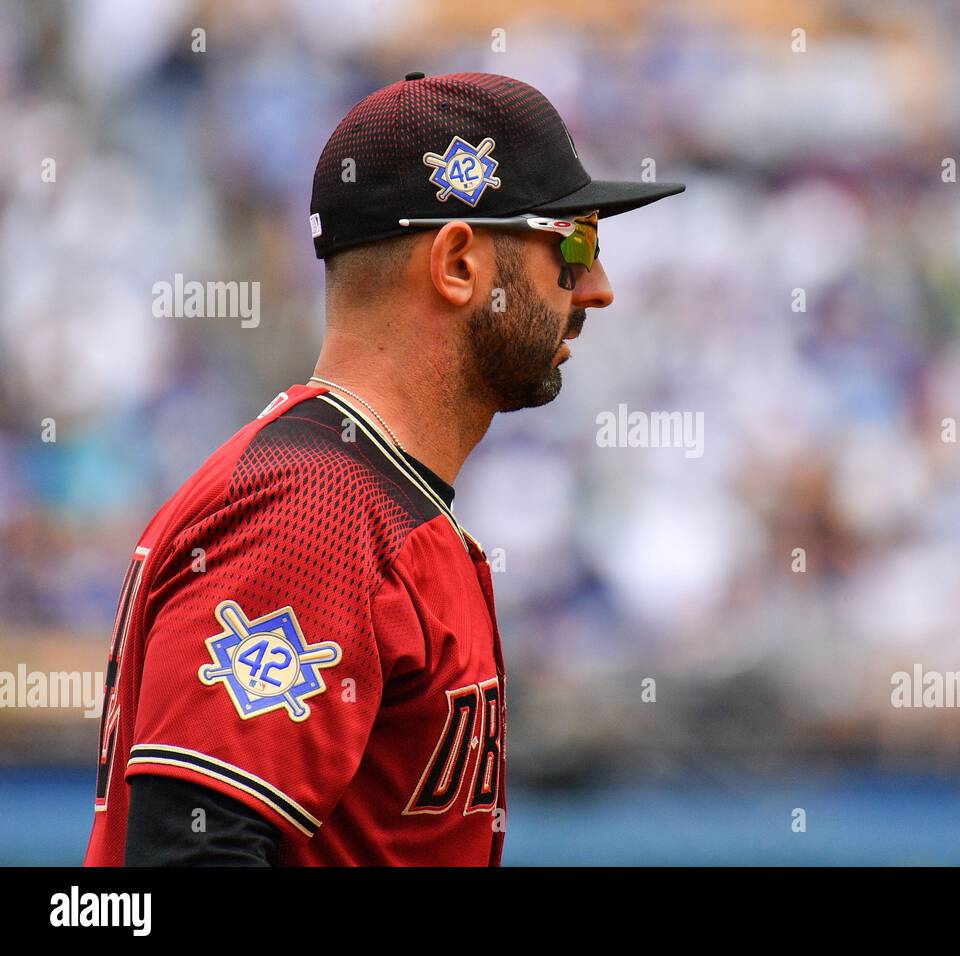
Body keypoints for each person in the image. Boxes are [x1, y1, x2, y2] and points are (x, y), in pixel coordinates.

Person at [83, 71, 684, 865]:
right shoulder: (313, 506)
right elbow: (188, 858)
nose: (599, 288)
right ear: (459, 264)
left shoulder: (360, 491)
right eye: (574, 243)